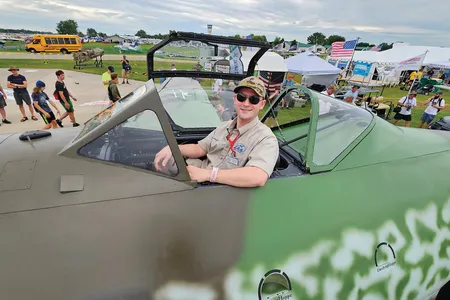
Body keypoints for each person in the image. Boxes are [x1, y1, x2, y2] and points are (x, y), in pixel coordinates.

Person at [154, 76, 279, 188]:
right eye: (242, 97)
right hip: (201, 173)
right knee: (163, 163)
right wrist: (173, 148)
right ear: (235, 99)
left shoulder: (266, 138)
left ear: (262, 104)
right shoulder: (224, 126)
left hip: (221, 189)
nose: (246, 104)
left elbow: (258, 177)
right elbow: (200, 148)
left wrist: (209, 175)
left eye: (254, 100)